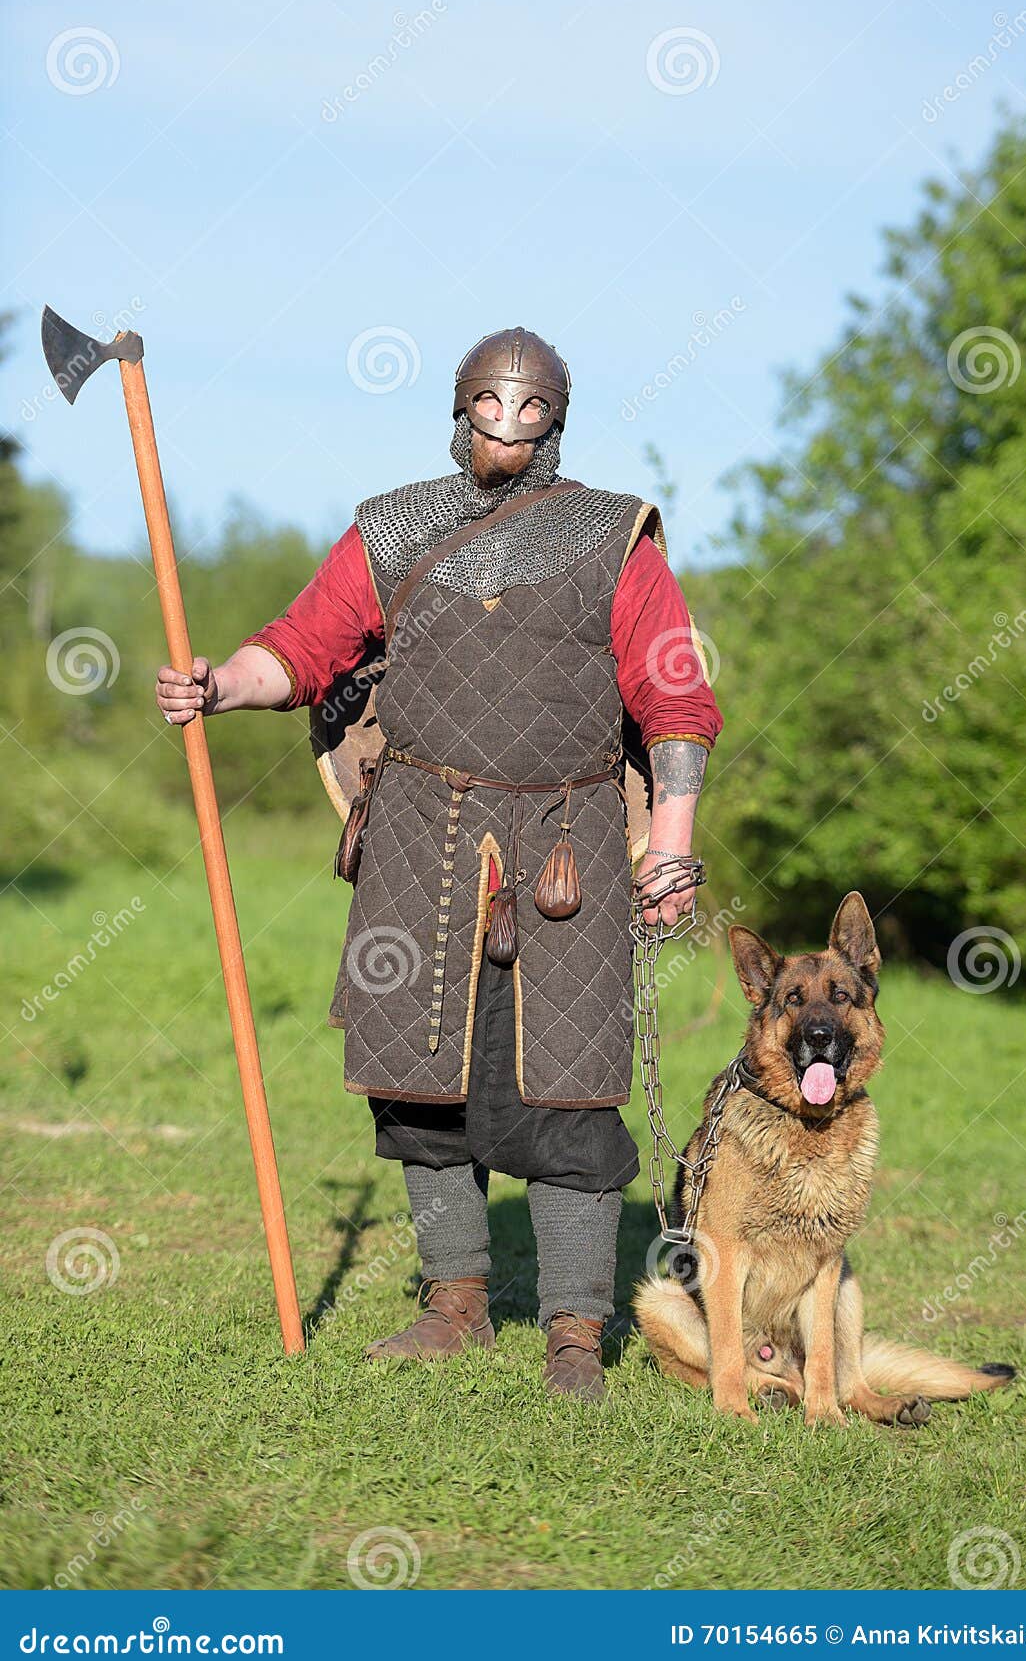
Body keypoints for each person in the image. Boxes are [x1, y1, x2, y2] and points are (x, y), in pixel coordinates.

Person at [155, 327, 721, 1401]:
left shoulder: (614, 538)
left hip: (567, 843)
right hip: (416, 835)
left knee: (569, 1087)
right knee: (414, 1082)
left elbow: (675, 698)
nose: (506, 424)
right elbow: (301, 647)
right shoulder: (391, 527)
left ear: (556, 421)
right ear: (459, 410)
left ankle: (573, 1332)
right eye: (488, 405)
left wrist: (672, 849)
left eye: (529, 408)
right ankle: (453, 1307)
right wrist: (218, 685)